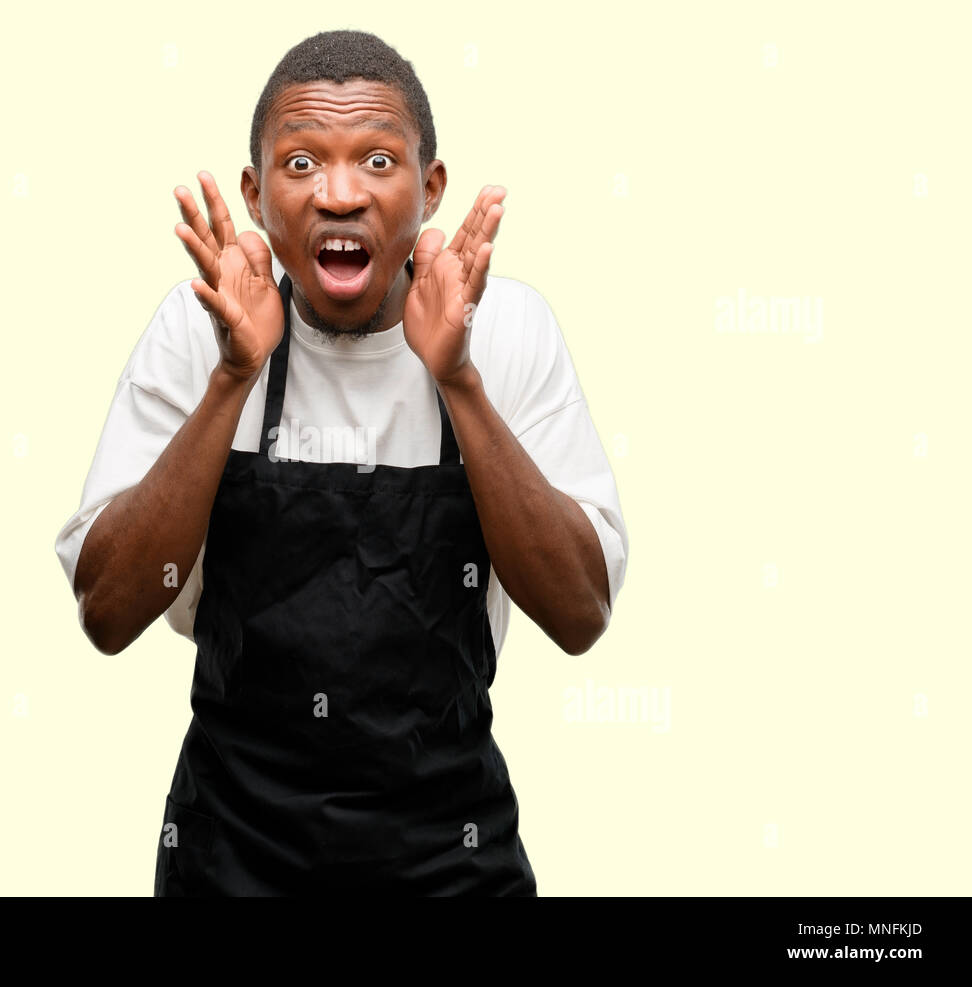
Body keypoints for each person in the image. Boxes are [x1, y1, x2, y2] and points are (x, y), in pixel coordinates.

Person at [54, 29, 628, 896]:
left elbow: (581, 613)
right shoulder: (199, 325)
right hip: (232, 860)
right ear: (254, 194)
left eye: (378, 160)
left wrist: (459, 380)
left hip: (451, 860)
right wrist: (232, 379)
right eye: (301, 164)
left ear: (430, 188)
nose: (341, 194)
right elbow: (107, 611)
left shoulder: (507, 332)